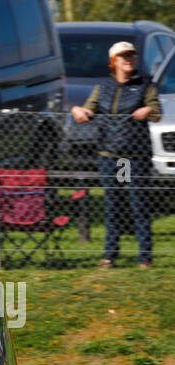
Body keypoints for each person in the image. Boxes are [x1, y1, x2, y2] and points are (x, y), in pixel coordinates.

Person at [72, 41, 162, 268]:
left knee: (139, 205)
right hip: (108, 154)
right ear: (114, 62)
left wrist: (148, 109)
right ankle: (110, 256)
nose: (129, 59)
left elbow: (157, 113)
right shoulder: (103, 87)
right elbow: (88, 109)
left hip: (135, 156)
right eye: (123, 56)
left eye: (131, 55)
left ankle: (145, 257)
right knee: (113, 206)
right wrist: (78, 110)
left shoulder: (145, 85)